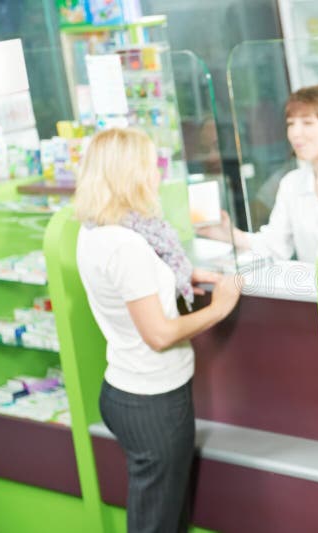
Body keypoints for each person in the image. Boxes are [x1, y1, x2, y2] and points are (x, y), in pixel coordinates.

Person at [73, 128, 241, 533]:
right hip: (153, 403)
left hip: (127, 391)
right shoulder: (126, 246)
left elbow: (137, 284)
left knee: (163, 515)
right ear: (128, 175)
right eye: (151, 166)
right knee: (157, 523)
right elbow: (160, 334)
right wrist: (219, 308)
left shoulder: (96, 231)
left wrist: (185, 273)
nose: (157, 175)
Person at [198, 83, 318, 263]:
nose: (295, 133)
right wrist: (229, 234)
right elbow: (275, 246)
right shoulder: (292, 183)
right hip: (314, 294)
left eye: (307, 123)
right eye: (291, 124)